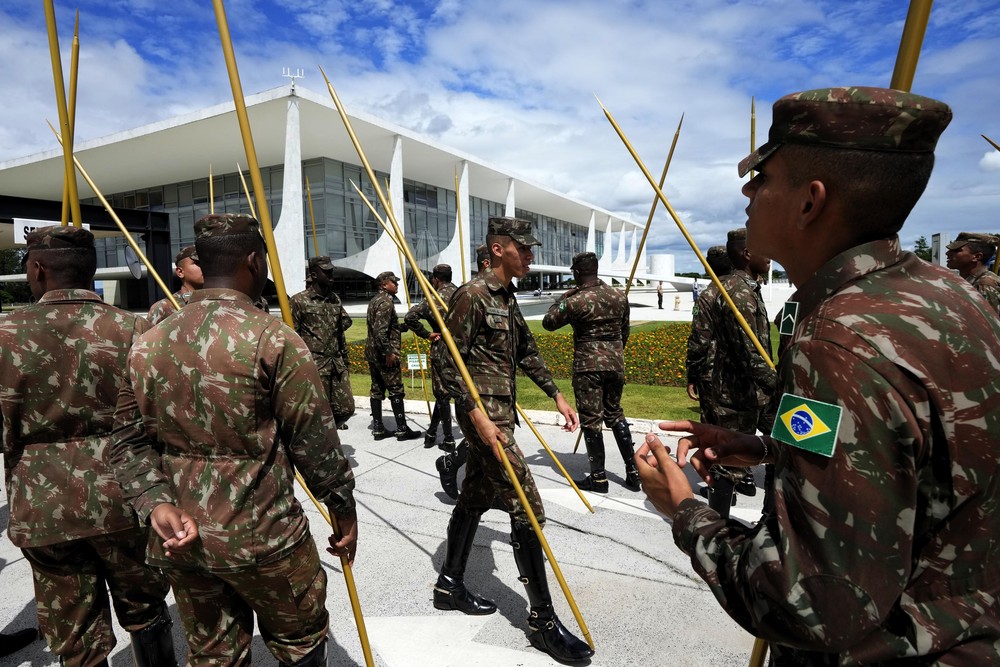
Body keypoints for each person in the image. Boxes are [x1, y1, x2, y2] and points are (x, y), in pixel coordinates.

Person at [637, 87, 1000, 663]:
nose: (747, 192)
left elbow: (808, 604)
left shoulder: (839, 339)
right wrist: (765, 447)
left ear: (810, 201)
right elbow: (918, 458)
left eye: (763, 176)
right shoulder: (950, 295)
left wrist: (682, 509)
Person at [111, 213, 358, 666]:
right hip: (266, 537)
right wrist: (343, 510)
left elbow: (126, 442)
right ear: (254, 260)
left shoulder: (148, 342)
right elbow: (315, 444)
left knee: (214, 655)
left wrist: (155, 503)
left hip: (183, 538)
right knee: (300, 642)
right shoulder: (273, 338)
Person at [0, 226, 177, 667]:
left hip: (44, 507)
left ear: (37, 268)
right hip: (129, 496)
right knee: (147, 609)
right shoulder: (135, 328)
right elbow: (161, 415)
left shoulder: (5, 334)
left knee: (75, 632)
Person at [433, 217, 593, 664]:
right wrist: (477, 420)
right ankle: (542, 622)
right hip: (486, 422)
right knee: (528, 506)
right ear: (499, 249)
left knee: (474, 497)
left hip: (500, 418)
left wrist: (556, 394)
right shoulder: (472, 296)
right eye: (523, 248)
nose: (531, 255)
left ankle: (448, 584)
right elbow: (447, 365)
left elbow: (525, 351)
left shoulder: (507, 297)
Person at [695, 228, 776, 515]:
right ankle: (717, 524)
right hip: (741, 389)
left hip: (748, 388)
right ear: (747, 254)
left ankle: (767, 518)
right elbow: (748, 352)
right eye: (765, 251)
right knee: (728, 459)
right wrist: (775, 384)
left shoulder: (746, 287)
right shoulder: (739, 292)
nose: (771, 258)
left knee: (773, 448)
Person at [542, 251, 637, 492]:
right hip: (615, 362)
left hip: (588, 366)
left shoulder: (575, 300)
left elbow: (549, 322)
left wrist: (564, 296)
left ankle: (598, 477)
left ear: (575, 272)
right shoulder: (618, 296)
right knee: (615, 414)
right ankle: (633, 472)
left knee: (591, 420)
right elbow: (624, 331)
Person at [435, 245, 491, 498]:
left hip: (494, 378)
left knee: (487, 439)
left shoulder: (497, 293)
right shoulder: (467, 293)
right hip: (473, 377)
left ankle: (477, 486)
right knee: (486, 436)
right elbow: (454, 349)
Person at [290, 256, 355, 429]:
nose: (331, 274)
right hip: (314, 365)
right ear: (314, 274)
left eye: (331, 270)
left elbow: (340, 333)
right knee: (318, 412)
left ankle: (330, 437)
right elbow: (292, 337)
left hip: (336, 364)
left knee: (346, 408)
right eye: (326, 271)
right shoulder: (299, 301)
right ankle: (325, 449)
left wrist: (345, 360)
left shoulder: (335, 299)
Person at [404, 263, 459, 450]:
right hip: (462, 349)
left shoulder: (432, 298)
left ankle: (449, 438)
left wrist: (426, 333)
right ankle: (432, 432)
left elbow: (409, 317)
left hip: (442, 349)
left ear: (435, 279)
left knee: (442, 393)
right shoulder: (462, 294)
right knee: (455, 391)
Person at [366, 271, 423, 441]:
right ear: (384, 284)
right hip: (384, 355)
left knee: (376, 389)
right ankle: (402, 429)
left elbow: (386, 326)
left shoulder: (375, 300)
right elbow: (380, 331)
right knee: (395, 389)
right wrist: (388, 353)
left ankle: (378, 428)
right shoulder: (385, 302)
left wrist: (402, 327)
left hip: (372, 352)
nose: (397, 285)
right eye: (394, 282)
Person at [945, 232, 1000, 315]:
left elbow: (988, 325)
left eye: (956, 251)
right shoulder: (970, 281)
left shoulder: (984, 286)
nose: (948, 253)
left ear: (977, 257)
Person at [147, 245, 204, 325]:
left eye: (208, 263)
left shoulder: (219, 299)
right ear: (180, 272)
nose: (205, 267)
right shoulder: (164, 307)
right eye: (198, 263)